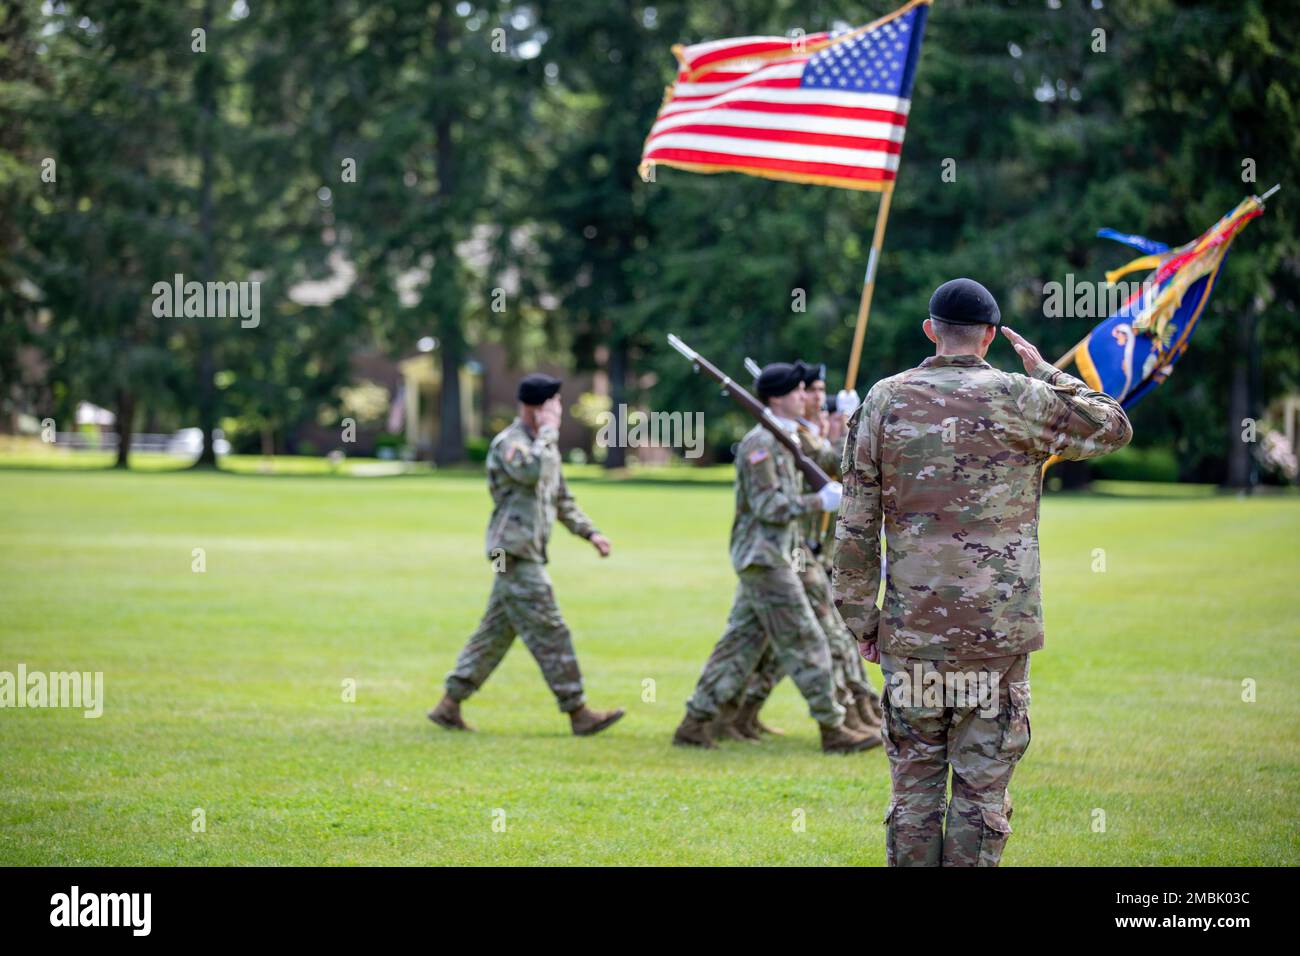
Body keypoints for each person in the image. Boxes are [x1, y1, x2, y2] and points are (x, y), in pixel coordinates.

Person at [833, 277, 1132, 866]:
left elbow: (856, 520)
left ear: (931, 331)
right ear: (991, 336)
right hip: (997, 635)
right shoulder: (1020, 396)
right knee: (980, 793)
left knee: (915, 790)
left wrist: (860, 618)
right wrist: (1048, 371)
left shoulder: (885, 399)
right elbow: (1112, 426)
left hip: (912, 629)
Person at [672, 362, 878, 754]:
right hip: (765, 558)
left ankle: (695, 722)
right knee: (807, 639)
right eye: (800, 391)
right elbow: (768, 506)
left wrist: (850, 420)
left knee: (739, 646)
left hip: (780, 556)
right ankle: (833, 728)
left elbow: (834, 459)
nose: (807, 397)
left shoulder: (789, 437)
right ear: (778, 397)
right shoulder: (759, 444)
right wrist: (816, 500)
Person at [428, 373, 625, 737]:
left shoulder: (544, 447)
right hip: (510, 553)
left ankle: (449, 704)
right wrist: (548, 432)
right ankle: (578, 711)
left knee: (495, 634)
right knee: (551, 628)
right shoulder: (512, 444)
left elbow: (561, 498)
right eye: (554, 405)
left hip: (528, 552)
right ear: (538, 407)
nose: (559, 412)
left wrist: (591, 533)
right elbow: (531, 473)